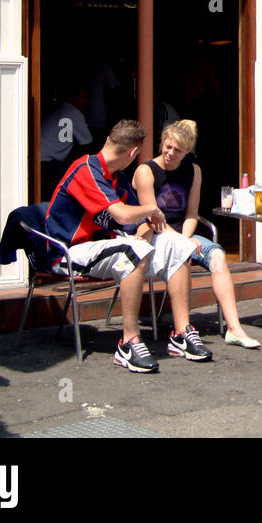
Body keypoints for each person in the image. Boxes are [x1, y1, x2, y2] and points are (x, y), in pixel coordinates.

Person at [43, 120, 207, 373]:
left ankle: (182, 332)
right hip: (68, 252)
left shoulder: (116, 178)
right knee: (134, 252)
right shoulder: (86, 169)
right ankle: (129, 342)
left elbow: (139, 222)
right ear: (132, 153)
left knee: (178, 244)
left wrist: (145, 229)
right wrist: (151, 210)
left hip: (105, 247)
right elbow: (122, 215)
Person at [132, 119, 261, 348]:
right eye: (167, 147)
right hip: (156, 234)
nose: (170, 153)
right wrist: (184, 243)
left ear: (187, 151)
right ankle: (184, 330)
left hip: (183, 233)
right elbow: (153, 218)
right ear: (162, 143)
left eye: (177, 150)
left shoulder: (193, 171)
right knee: (183, 252)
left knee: (218, 257)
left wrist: (186, 238)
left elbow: (192, 213)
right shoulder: (146, 171)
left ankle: (234, 328)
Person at [40, 85, 92, 199]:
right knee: (81, 174)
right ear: (71, 99)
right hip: (46, 163)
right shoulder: (73, 113)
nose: (86, 101)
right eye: (82, 97)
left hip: (40, 161)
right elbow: (88, 144)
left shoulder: (60, 108)